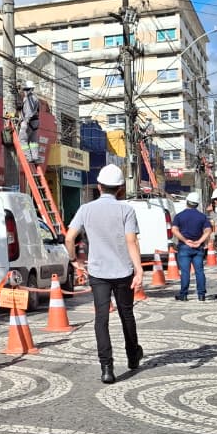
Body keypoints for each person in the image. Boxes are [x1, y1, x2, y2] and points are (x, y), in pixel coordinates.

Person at [63, 164, 145, 384]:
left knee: (101, 319)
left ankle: (106, 368)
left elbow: (69, 238)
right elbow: (131, 241)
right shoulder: (126, 210)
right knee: (126, 314)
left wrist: (74, 261)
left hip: (98, 272)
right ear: (119, 188)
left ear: (99, 186)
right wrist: (139, 270)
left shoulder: (85, 209)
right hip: (123, 271)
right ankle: (132, 355)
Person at [170, 192, 212, 302]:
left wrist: (184, 240)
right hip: (198, 248)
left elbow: (174, 230)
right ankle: (201, 295)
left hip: (184, 247)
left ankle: (183, 295)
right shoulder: (202, 217)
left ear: (187, 202)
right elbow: (208, 231)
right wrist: (199, 241)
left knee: (185, 272)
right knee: (199, 271)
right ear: (197, 204)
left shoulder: (179, 216)